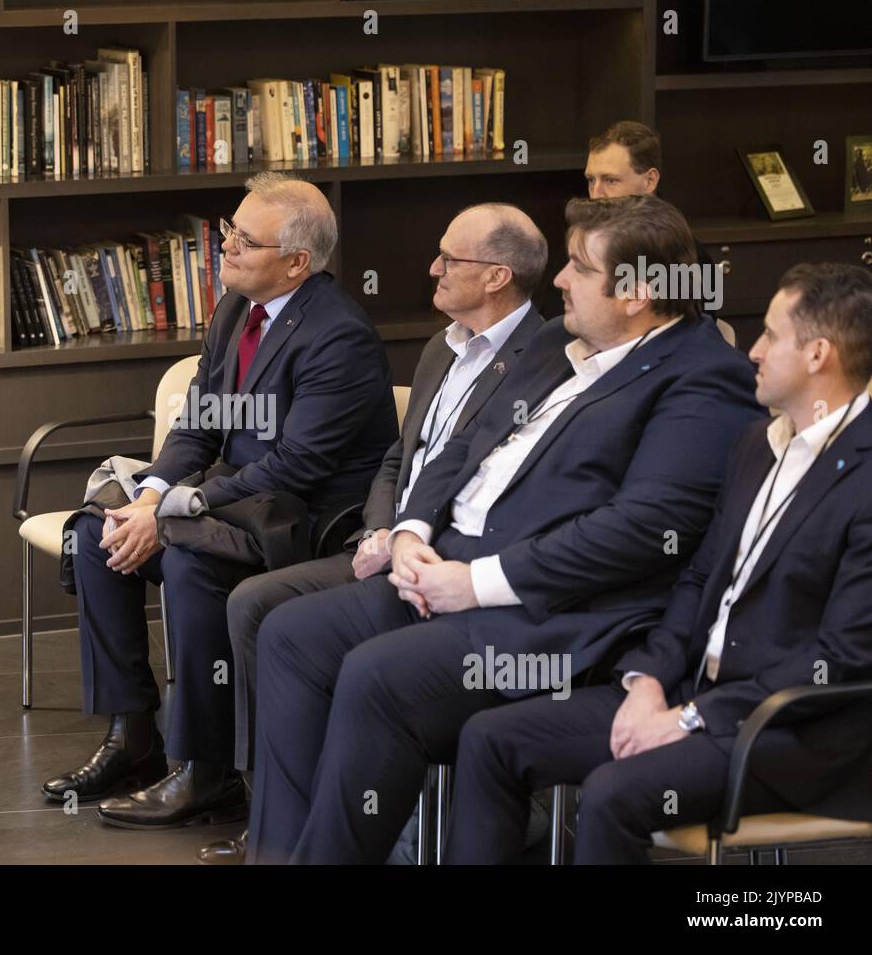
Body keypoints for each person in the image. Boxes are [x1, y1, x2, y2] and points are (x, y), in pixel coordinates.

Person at [246, 194, 765, 864]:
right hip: (444, 569)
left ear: (636, 293)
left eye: (578, 265)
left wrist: (476, 582)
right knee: (290, 634)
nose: (557, 279)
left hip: (549, 621)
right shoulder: (559, 341)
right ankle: (281, 855)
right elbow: (462, 445)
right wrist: (411, 529)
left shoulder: (701, 378)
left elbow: (642, 530)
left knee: (378, 677)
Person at [446, 262, 872, 864]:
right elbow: (698, 578)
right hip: (692, 688)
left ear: (818, 356)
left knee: (613, 794)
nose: (752, 350)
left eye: (772, 336)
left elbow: (843, 658)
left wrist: (694, 717)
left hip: (794, 730)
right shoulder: (760, 443)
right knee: (491, 739)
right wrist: (646, 680)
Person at [41, 171, 398, 830]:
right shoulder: (236, 307)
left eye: (244, 240)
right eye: (228, 232)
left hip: (302, 521)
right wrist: (152, 495)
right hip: (233, 502)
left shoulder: (338, 337)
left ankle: (207, 770)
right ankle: (133, 737)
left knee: (188, 561)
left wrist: (176, 509)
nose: (225, 248)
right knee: (93, 535)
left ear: (296, 262)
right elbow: (201, 425)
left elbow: (298, 466)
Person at [197, 203, 546, 864]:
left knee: (282, 621)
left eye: (451, 259)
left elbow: (492, 483)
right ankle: (277, 827)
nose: (433, 268)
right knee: (254, 604)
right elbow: (398, 457)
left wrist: (418, 541)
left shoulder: (541, 362)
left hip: (453, 565)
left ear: (498, 276)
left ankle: (323, 830)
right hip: (388, 543)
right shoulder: (444, 347)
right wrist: (383, 525)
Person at [585, 120, 716, 272]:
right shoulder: (581, 247)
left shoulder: (690, 258)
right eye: (591, 180)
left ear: (650, 181)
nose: (595, 195)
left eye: (611, 180)